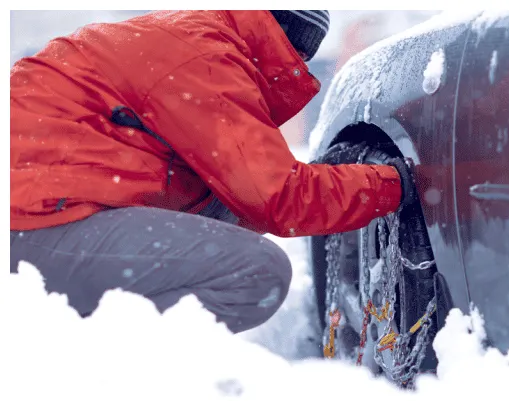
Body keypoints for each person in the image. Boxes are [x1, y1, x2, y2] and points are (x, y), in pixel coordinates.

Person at [10, 10, 417, 333]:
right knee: (256, 275)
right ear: (289, 42)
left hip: (38, 208)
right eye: (304, 51)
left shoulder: (194, 38)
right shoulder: (205, 59)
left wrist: (338, 183)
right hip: (30, 220)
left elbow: (245, 197)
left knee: (229, 213)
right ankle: (80, 361)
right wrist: (397, 183)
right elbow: (281, 199)